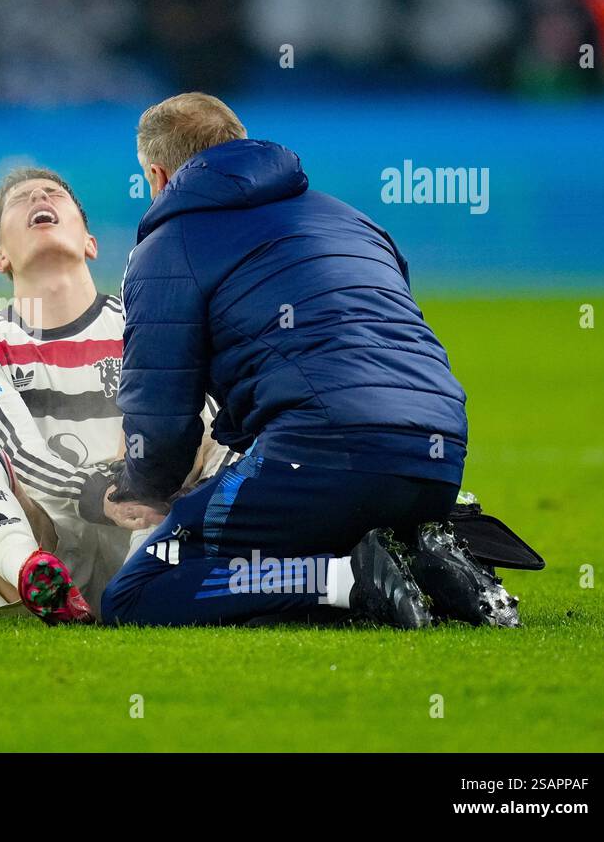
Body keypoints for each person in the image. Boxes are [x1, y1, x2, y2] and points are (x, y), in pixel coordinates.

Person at [102, 93, 520, 630]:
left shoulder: (168, 246)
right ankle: (424, 553)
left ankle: (346, 580)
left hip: (320, 457)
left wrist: (147, 489)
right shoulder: (352, 219)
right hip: (438, 459)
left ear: (158, 177)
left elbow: (159, 416)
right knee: (314, 513)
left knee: (141, 591)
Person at [0, 166, 234, 623]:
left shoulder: (144, 325)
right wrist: (95, 492)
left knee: (222, 426)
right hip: (52, 539)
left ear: (90, 243)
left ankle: (175, 568)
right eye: (21, 200)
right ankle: (33, 574)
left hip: (151, 530)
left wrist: (142, 483)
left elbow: (201, 425)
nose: (40, 199)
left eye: (54, 194)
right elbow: (17, 448)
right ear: (1, 258)